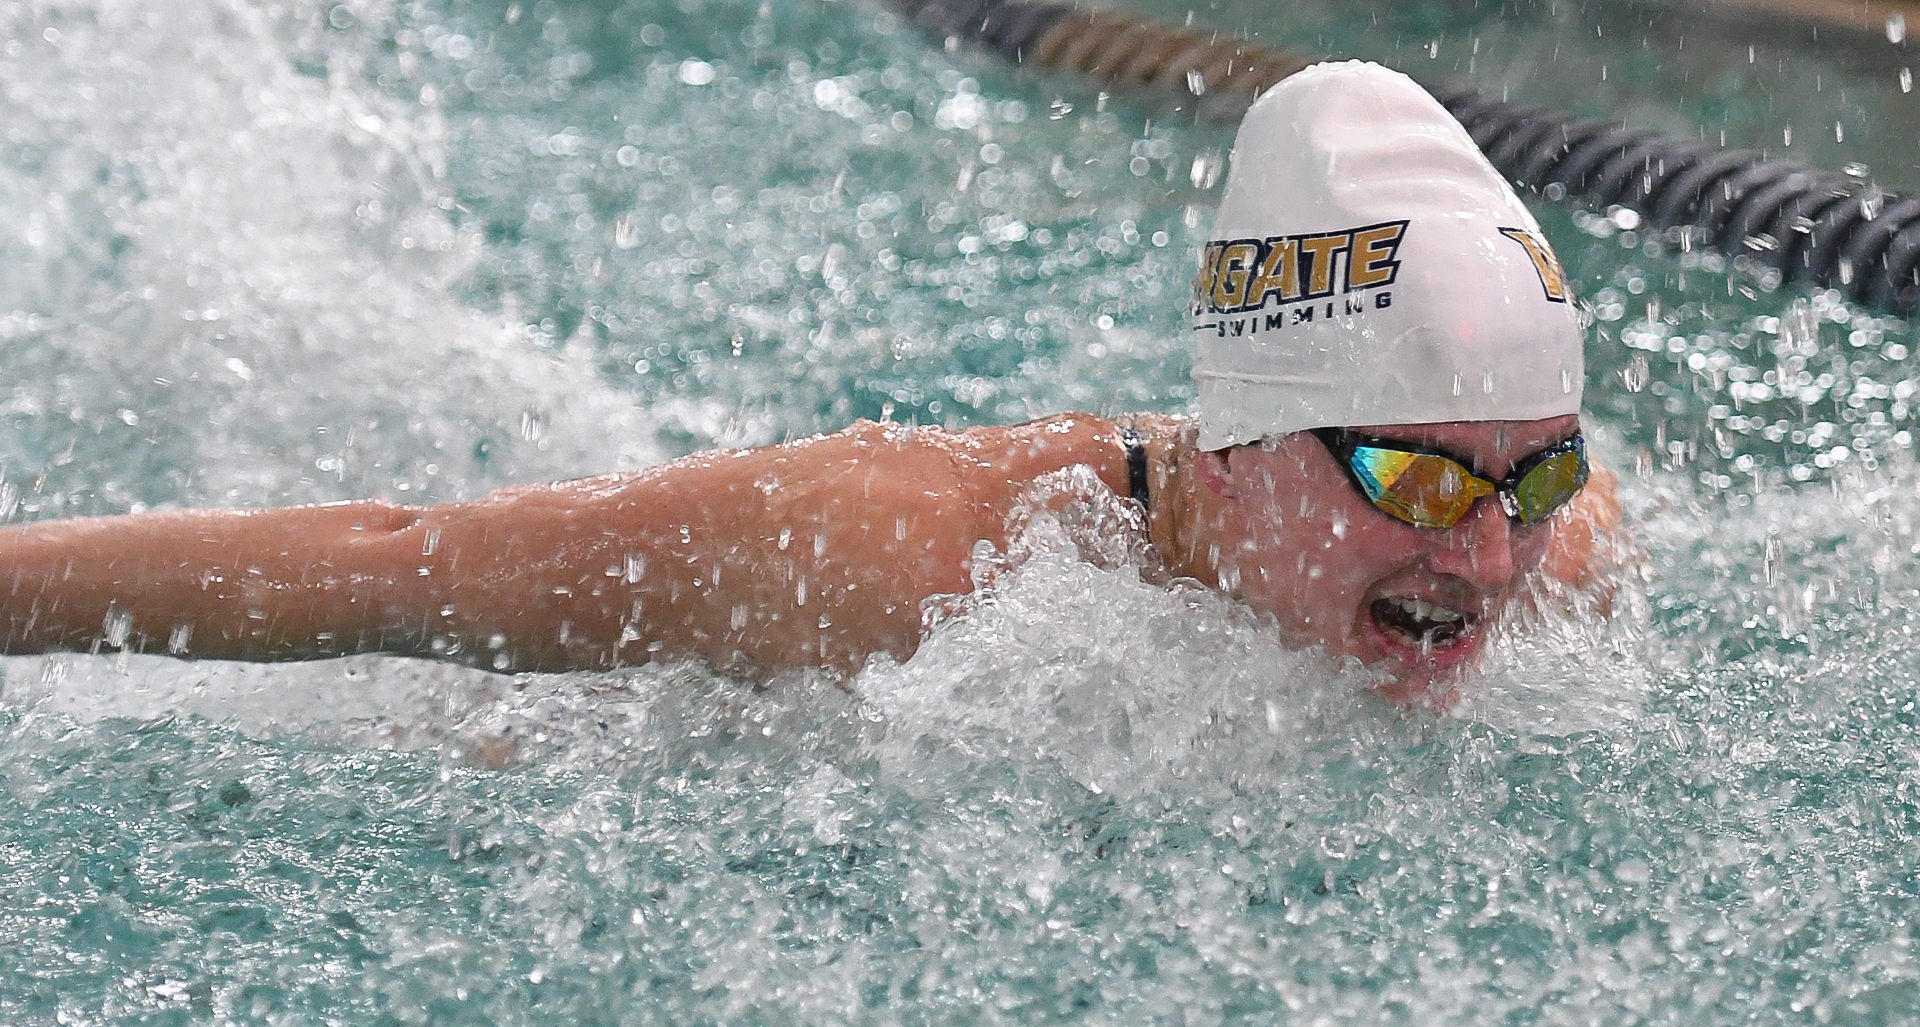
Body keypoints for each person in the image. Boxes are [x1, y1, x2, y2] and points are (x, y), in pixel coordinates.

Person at [0, 62, 1620, 705]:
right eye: (1412, 478)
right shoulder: (902, 561)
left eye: (1530, 474)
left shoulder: (1563, 553)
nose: (1482, 555)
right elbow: (398, 559)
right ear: (1227, 448)